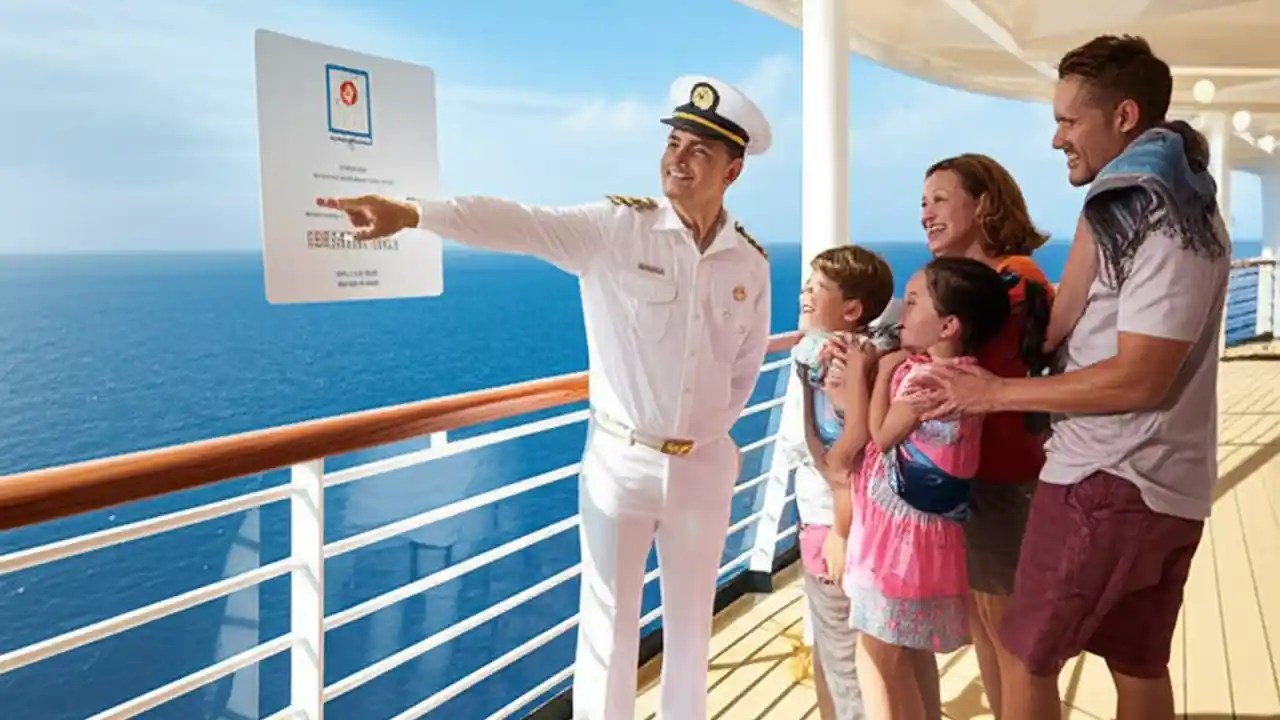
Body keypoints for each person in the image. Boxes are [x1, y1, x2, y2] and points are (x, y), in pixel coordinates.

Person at [316, 75, 774, 720]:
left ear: (731, 171)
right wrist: (414, 212)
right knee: (609, 630)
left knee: (693, 626)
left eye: (699, 150)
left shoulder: (748, 264)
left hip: (705, 464)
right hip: (622, 462)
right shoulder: (617, 228)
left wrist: (703, 435)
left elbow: (745, 366)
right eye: (674, 141)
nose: (678, 157)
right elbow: (519, 223)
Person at [916, 35, 1232, 720]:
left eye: (1069, 120)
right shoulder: (1183, 198)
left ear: (1123, 116)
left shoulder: (1143, 209)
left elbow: (1142, 377)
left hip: (1109, 479)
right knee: (1138, 663)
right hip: (1165, 480)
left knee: (1026, 658)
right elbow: (1076, 327)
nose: (1056, 137)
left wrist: (993, 392)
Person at [838, 257, 1011, 720]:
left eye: (913, 303)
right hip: (927, 539)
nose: (902, 313)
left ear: (948, 324)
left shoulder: (923, 377)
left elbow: (881, 435)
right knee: (898, 659)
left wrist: (871, 374)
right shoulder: (968, 374)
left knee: (878, 661)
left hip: (895, 546)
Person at [918, 152, 1054, 718]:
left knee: (1012, 644)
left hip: (1005, 479)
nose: (926, 214)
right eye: (922, 204)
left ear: (983, 205)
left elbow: (940, 342)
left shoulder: (1014, 277)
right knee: (987, 634)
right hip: (977, 480)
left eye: (940, 199)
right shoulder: (990, 283)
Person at [784, 245, 895, 720]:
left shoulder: (834, 365)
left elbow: (844, 458)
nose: (805, 293)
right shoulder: (862, 351)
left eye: (818, 288)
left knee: (842, 665)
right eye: (807, 284)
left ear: (851, 309)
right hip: (861, 528)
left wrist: (839, 533)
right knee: (876, 662)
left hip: (835, 530)